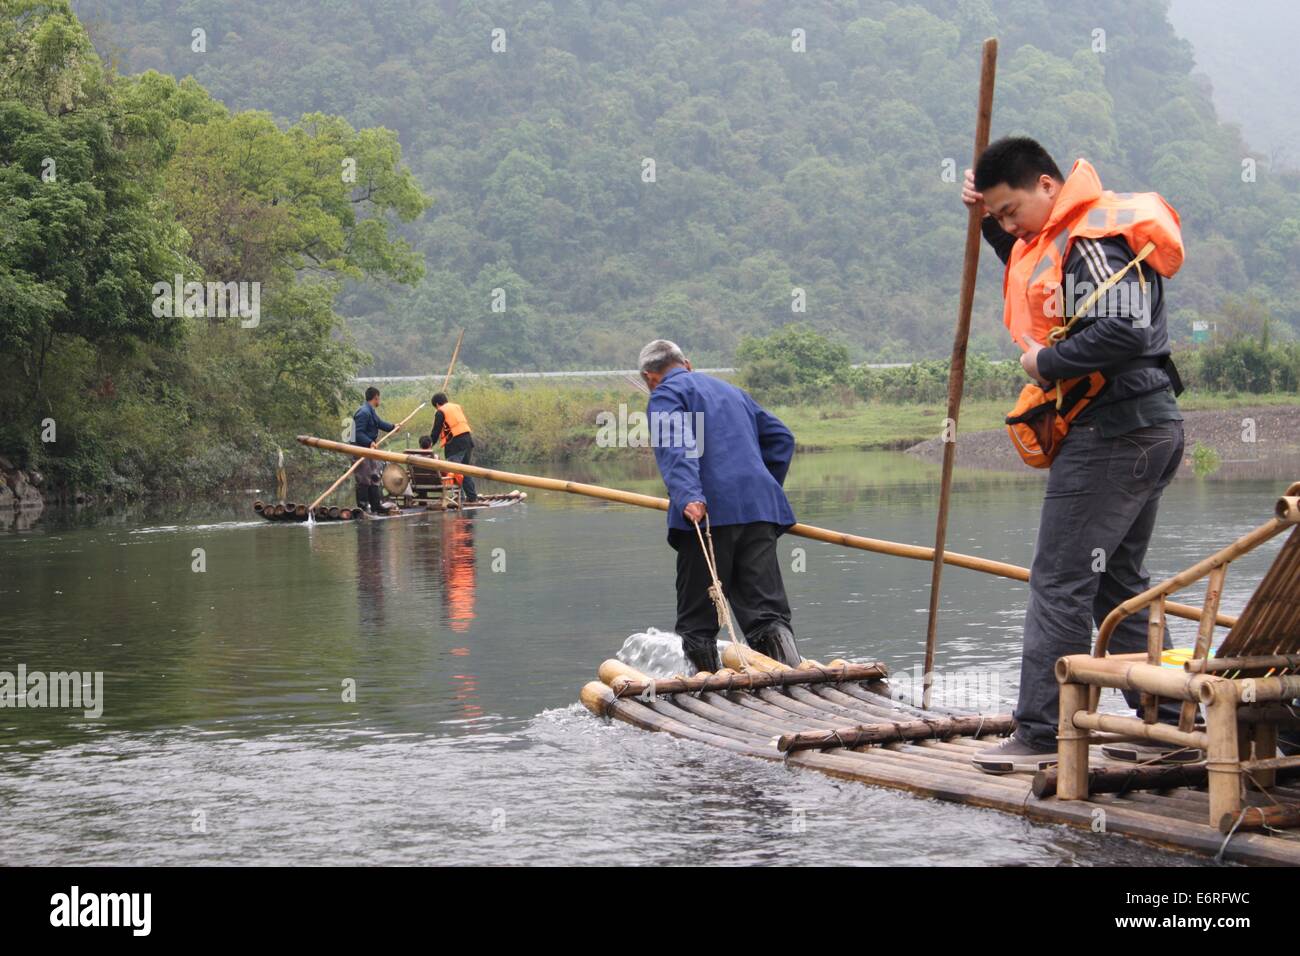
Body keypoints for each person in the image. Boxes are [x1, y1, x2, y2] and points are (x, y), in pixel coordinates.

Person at [961, 137, 1189, 773]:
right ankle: (1171, 721)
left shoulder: (1092, 239)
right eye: (997, 216)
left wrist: (1046, 361)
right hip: (1142, 427)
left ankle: (1040, 732)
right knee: (1116, 584)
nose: (1008, 225)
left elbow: (1125, 328)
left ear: (1047, 186)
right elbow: (1033, 267)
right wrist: (986, 219)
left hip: (1113, 432)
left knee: (1060, 580)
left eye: (1011, 210)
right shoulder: (1065, 239)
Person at [639, 338, 802, 674]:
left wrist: (689, 495)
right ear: (688, 363)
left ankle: (710, 690)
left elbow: (675, 441)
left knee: (698, 619)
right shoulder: (732, 392)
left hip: (708, 518)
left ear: (649, 377)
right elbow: (781, 438)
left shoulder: (665, 395)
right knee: (766, 613)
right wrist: (763, 489)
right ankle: (790, 681)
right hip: (759, 513)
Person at [352, 387, 397, 514]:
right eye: (379, 398)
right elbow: (358, 433)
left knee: (374, 476)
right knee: (363, 478)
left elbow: (379, 423)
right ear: (376, 397)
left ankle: (376, 505)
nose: (379, 400)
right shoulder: (363, 412)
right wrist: (369, 442)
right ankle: (363, 506)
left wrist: (393, 427)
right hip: (361, 448)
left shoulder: (370, 411)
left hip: (369, 449)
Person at [430, 392, 478, 502]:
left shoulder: (440, 412)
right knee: (465, 470)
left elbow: (436, 431)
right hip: (467, 441)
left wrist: (429, 445)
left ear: (437, 404)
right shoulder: (456, 407)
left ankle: (458, 499)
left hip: (455, 444)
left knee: (455, 472)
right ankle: (472, 497)